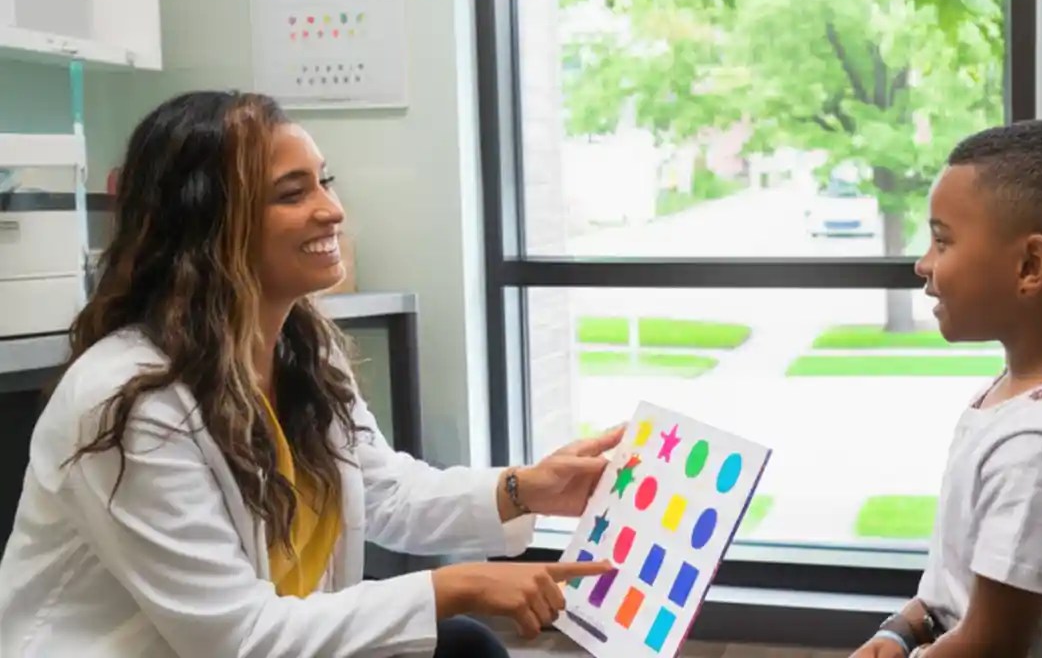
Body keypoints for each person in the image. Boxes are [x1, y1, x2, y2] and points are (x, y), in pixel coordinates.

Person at [0, 91, 616, 657]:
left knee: (461, 647)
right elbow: (236, 638)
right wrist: (449, 587)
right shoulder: (131, 403)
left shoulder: (300, 353)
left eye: (324, 182)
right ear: (207, 223)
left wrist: (526, 488)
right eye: (292, 194)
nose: (333, 210)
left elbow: (387, 494)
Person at [852, 120, 1042, 658]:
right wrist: (901, 631)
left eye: (943, 240)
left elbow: (990, 645)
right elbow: (958, 589)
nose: (923, 264)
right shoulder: (1019, 402)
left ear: (1030, 266)